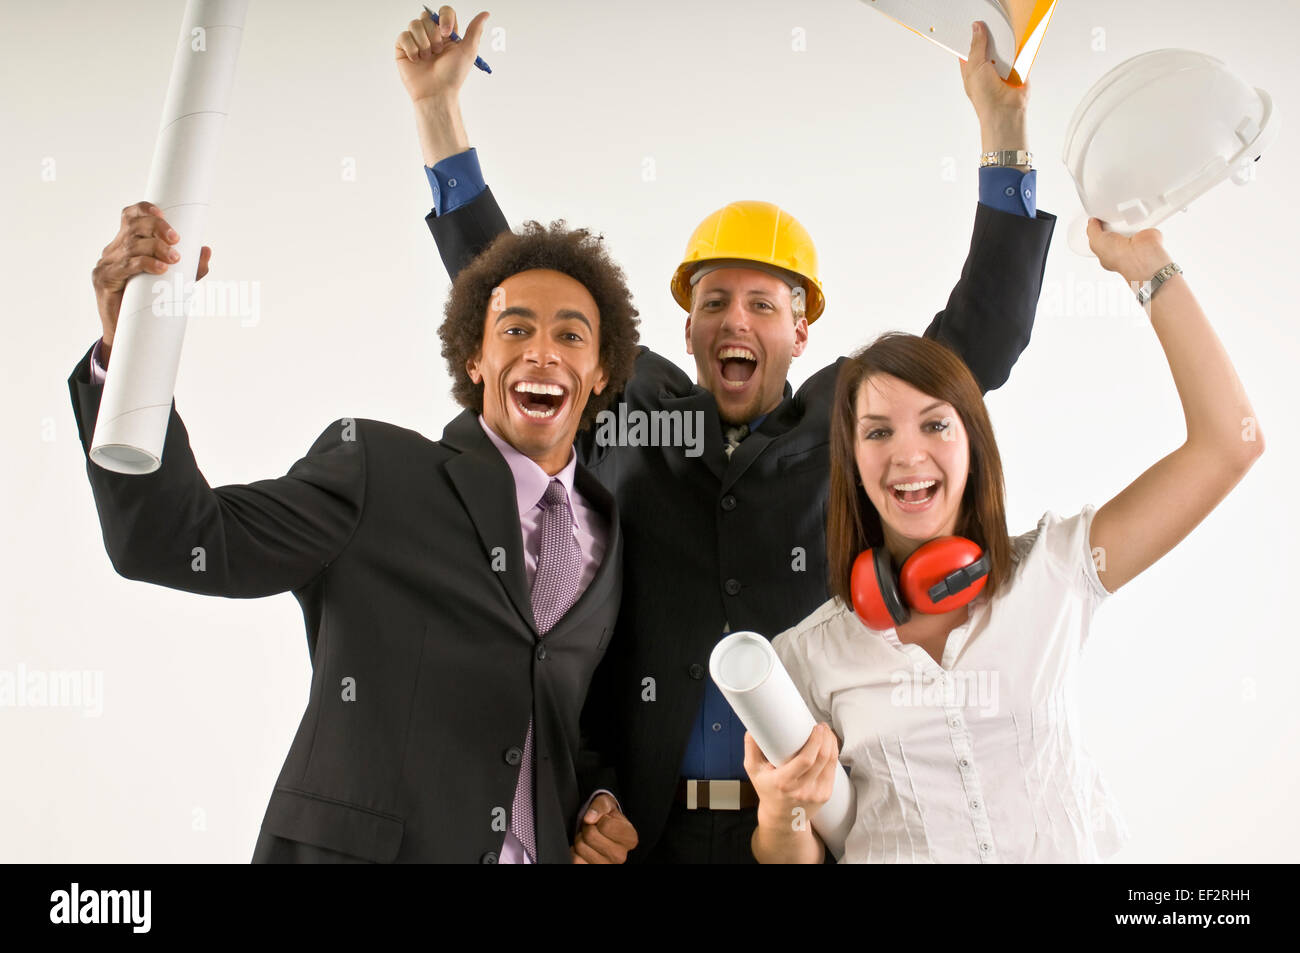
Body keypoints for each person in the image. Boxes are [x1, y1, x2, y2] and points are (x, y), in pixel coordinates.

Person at [397, 7, 1055, 862]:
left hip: (803, 826)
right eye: (713, 302)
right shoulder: (628, 404)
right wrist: (439, 118)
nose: (734, 320)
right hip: (638, 830)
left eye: (762, 304)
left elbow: (984, 334)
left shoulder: (848, 418)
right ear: (690, 329)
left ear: (801, 330)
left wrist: (1002, 127)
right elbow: (518, 294)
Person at [69, 203, 642, 863]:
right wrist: (130, 349)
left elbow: (566, 719)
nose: (542, 350)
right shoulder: (378, 472)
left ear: (602, 372)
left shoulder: (606, 528)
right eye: (515, 329)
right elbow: (172, 538)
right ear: (476, 358)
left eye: (571, 336)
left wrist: (596, 803)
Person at [745, 221, 1265, 863]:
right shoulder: (805, 657)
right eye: (878, 433)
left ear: (973, 447)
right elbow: (796, 856)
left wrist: (1146, 265)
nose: (908, 454)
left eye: (935, 424)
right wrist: (781, 809)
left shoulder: (1058, 570)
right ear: (850, 462)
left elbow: (1230, 443)